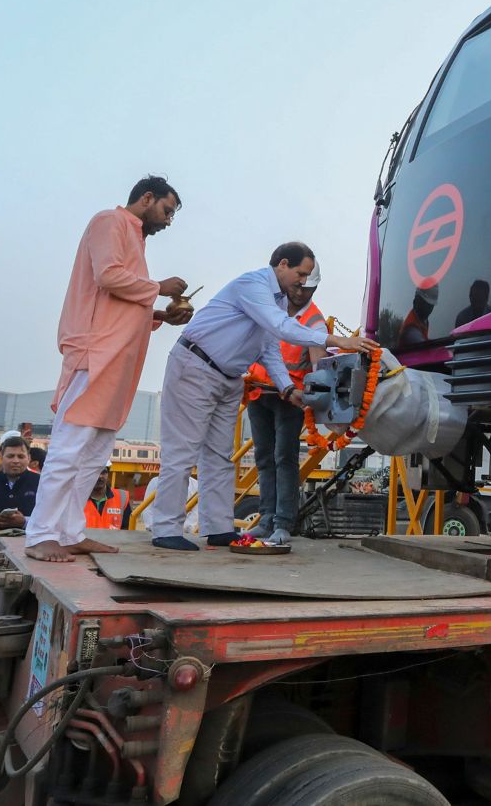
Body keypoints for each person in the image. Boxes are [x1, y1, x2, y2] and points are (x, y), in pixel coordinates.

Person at [147, 242, 376, 551]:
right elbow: (280, 328)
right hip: (197, 367)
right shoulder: (253, 285)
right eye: (301, 273)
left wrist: (287, 388)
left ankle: (218, 528)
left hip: (228, 378)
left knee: (219, 456)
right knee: (183, 451)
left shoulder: (277, 301)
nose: (303, 282)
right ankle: (165, 530)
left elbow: (268, 349)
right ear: (282, 264)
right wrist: (335, 339)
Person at [25, 175, 193, 563]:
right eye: (166, 211)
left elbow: (118, 299)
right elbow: (109, 276)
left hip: (115, 356)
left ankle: (68, 531)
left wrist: (160, 316)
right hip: (95, 351)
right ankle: (40, 534)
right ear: (146, 198)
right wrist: (159, 287)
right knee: (69, 450)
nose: (167, 221)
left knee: (95, 454)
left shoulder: (134, 236)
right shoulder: (110, 221)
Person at [246, 264, 327, 545]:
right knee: (264, 459)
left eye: (308, 289)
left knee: (284, 459)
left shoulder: (315, 321)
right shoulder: (272, 308)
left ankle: (282, 523)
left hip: (289, 399)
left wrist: (315, 396)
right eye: (299, 287)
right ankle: (266, 518)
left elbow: (318, 365)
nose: (302, 292)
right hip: (259, 393)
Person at [82, 464, 127, 530]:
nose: (100, 476)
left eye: (103, 472)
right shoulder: (76, 500)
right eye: (95, 472)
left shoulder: (122, 497)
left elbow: (127, 531)